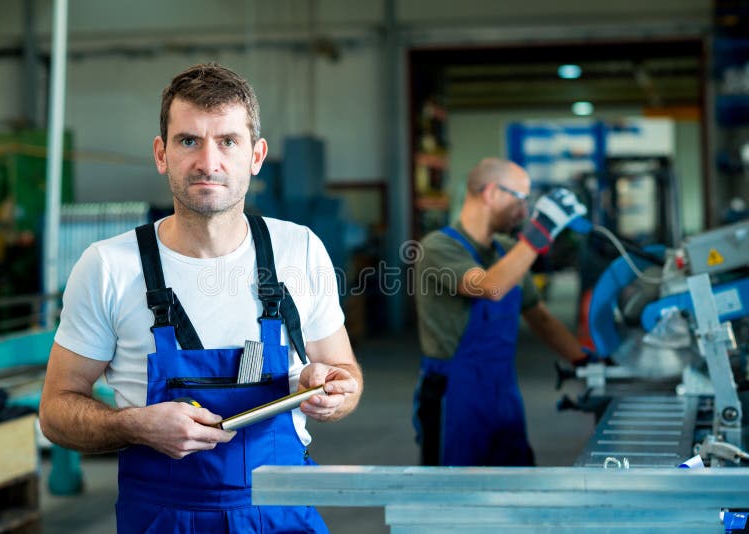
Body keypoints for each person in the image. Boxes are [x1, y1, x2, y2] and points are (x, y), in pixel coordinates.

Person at [39, 63, 363, 533]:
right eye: (189, 140)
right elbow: (55, 411)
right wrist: (133, 425)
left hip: (281, 512)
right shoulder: (108, 266)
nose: (208, 163)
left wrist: (335, 391)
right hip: (162, 518)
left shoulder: (300, 249)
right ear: (161, 153)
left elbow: (345, 375)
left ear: (256, 156)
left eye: (228, 141)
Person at [413, 157, 591, 467]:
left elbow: (542, 320)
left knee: (516, 491)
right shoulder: (438, 248)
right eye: (521, 199)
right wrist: (541, 232)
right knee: (450, 502)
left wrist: (588, 363)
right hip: (454, 400)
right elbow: (491, 286)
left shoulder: (510, 252)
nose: (523, 213)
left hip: (504, 395)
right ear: (492, 192)